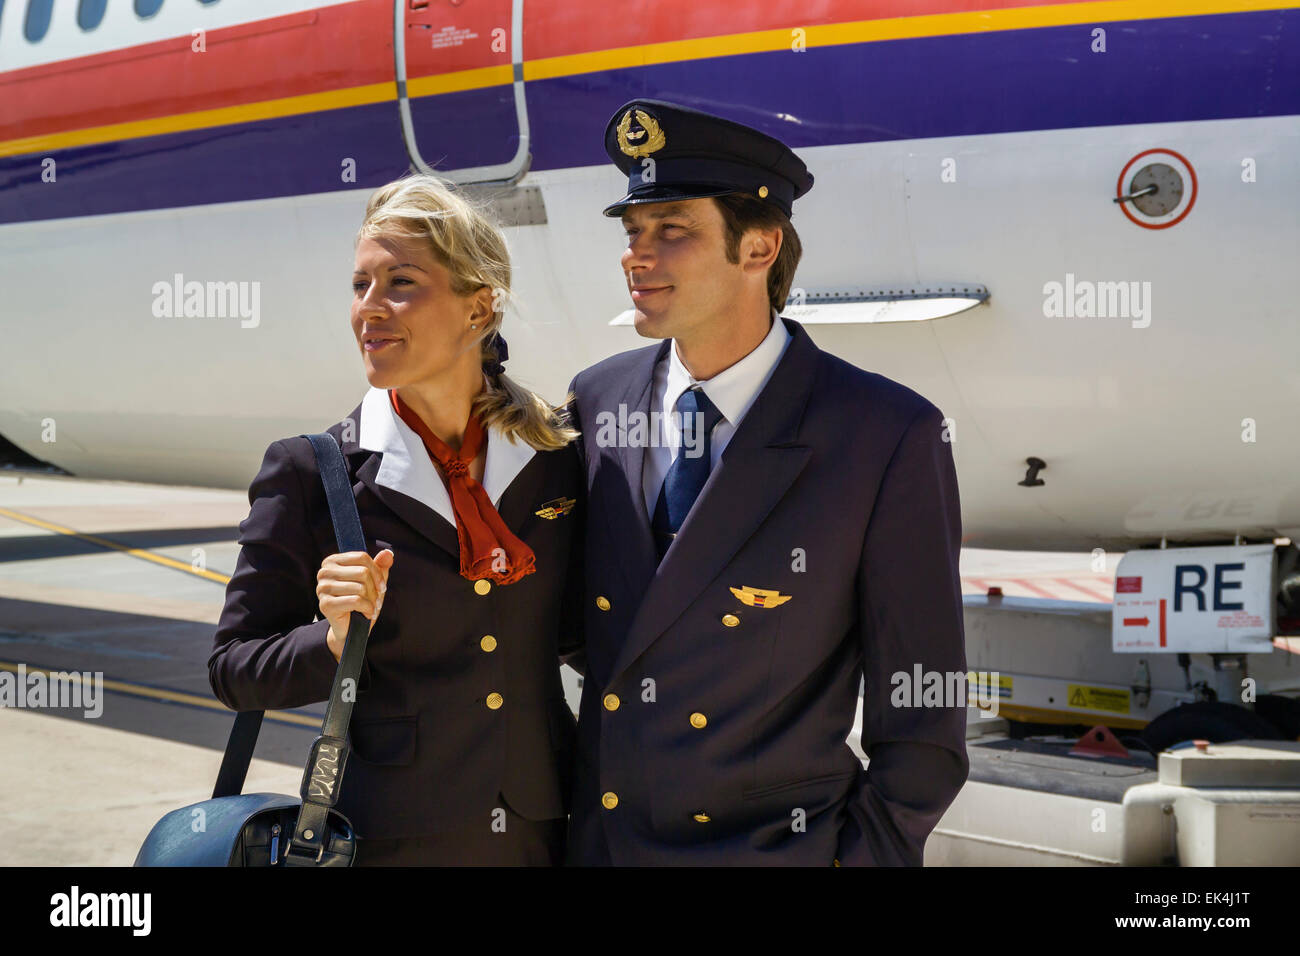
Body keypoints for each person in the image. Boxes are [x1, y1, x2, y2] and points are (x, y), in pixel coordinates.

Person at [562, 99, 969, 865]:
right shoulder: (597, 399)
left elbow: (922, 697)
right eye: (632, 233)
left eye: (672, 231)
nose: (636, 256)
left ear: (760, 246)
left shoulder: (883, 434)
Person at [208, 173, 583, 865]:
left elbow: (589, 633)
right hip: (388, 839)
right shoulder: (311, 472)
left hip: (542, 827)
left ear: (479, 309)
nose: (369, 310)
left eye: (400, 284)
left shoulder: (554, 460)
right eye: (360, 286)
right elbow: (234, 671)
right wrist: (331, 638)